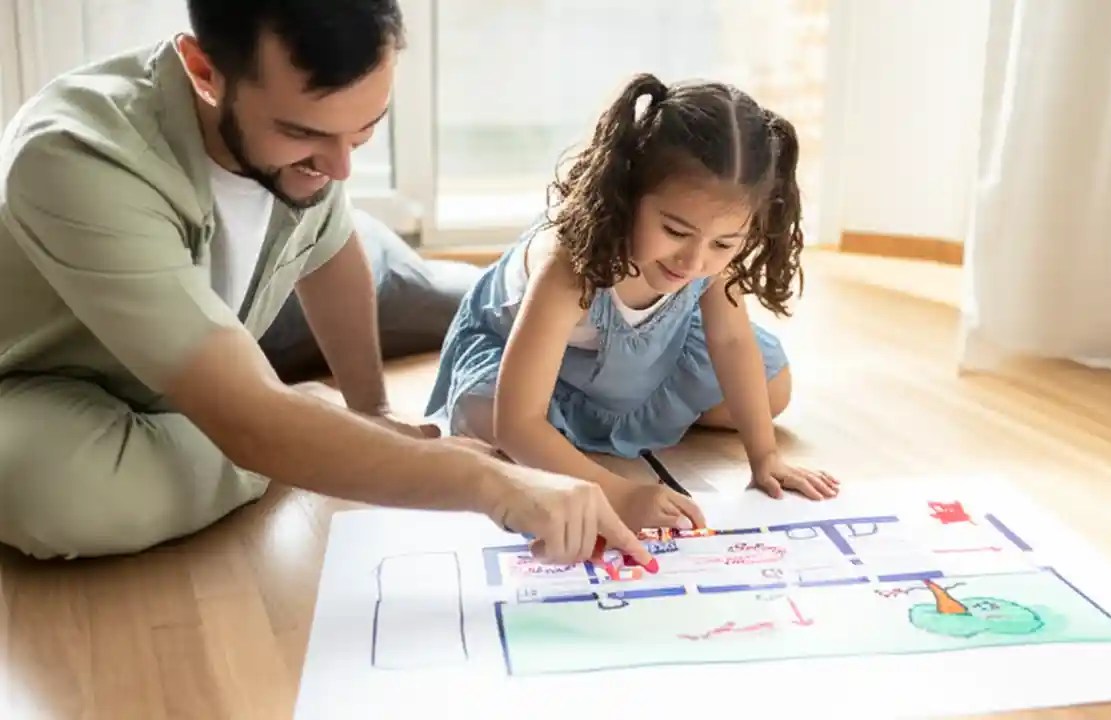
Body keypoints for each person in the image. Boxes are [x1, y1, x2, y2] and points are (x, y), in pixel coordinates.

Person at [0, 0, 669, 569]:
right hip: (57, 379)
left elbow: (334, 243)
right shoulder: (74, 158)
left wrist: (371, 411)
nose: (344, 167)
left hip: (254, 311)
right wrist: (492, 481)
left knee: (472, 305)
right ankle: (295, 419)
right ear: (205, 72)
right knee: (58, 499)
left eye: (366, 129)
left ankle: (293, 415)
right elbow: (251, 426)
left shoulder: (314, 163)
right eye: (304, 133)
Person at [424, 73, 840, 522]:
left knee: (772, 386)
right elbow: (517, 421)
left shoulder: (704, 249)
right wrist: (619, 493)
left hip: (640, 361)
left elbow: (732, 342)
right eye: (675, 231)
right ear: (626, 192)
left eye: (725, 244)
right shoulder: (568, 264)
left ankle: (602, 425)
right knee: (496, 428)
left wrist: (765, 457)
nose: (694, 261)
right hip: (534, 365)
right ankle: (579, 429)